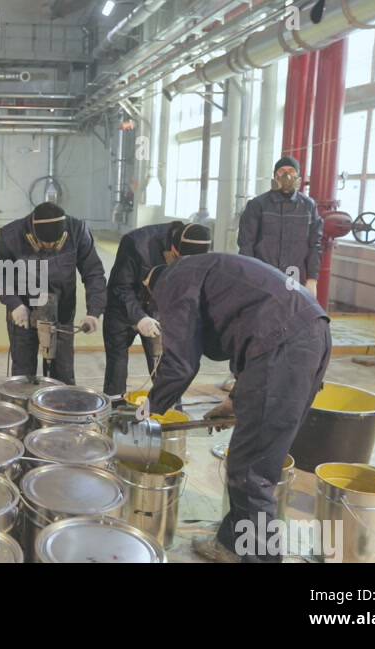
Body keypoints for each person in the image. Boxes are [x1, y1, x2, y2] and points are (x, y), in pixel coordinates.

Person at [146, 253, 331, 563]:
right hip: (313, 334)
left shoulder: (172, 282)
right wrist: (234, 401)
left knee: (252, 471)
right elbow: (247, 332)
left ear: (153, 287)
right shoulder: (212, 271)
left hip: (284, 347)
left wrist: (148, 412)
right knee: (251, 456)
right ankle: (232, 545)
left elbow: (180, 365)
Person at [0, 202, 106, 385]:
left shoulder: (77, 231)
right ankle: (23, 408)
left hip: (62, 311)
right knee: (23, 372)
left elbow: (94, 273)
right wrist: (14, 304)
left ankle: (59, 409)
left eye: (54, 243)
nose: (50, 247)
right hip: (24, 310)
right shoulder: (11, 236)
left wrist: (94, 313)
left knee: (63, 373)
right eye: (45, 243)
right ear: (33, 234)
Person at [102, 222, 212, 399]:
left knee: (164, 368)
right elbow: (120, 287)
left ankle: (171, 411)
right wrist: (140, 318)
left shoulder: (198, 253)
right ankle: (114, 410)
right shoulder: (135, 243)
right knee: (117, 366)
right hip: (122, 310)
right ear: (173, 250)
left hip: (158, 312)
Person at [237, 156, 324, 296]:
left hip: (295, 277)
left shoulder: (308, 206)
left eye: (291, 171)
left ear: (298, 175)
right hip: (263, 274)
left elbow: (315, 245)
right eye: (282, 171)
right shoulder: (257, 205)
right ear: (275, 175)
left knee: (291, 314)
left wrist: (312, 279)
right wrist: (249, 275)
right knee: (262, 313)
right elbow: (246, 244)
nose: (286, 175)